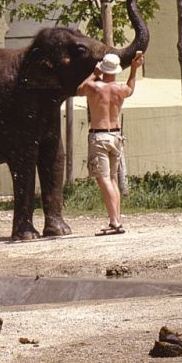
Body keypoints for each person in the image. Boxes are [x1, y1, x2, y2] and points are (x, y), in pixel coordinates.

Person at [77, 51, 144, 236]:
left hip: (99, 136)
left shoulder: (94, 87)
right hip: (116, 136)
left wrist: (95, 72)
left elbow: (80, 89)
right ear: (116, 70)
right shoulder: (120, 89)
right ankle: (117, 220)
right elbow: (130, 88)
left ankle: (115, 222)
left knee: (103, 178)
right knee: (112, 179)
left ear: (103, 68)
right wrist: (134, 69)